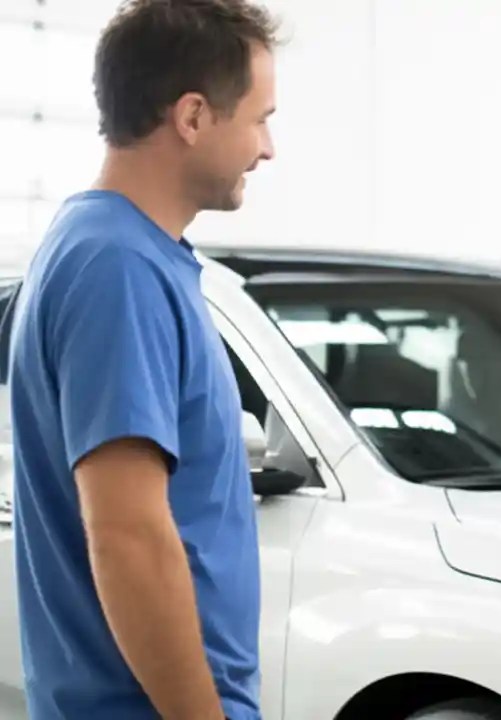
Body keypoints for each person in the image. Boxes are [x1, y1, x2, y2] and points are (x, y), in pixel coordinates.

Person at [6, 1, 280, 718]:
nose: (268, 147)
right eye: (259, 118)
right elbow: (127, 534)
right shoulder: (117, 267)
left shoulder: (109, 247)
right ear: (193, 117)